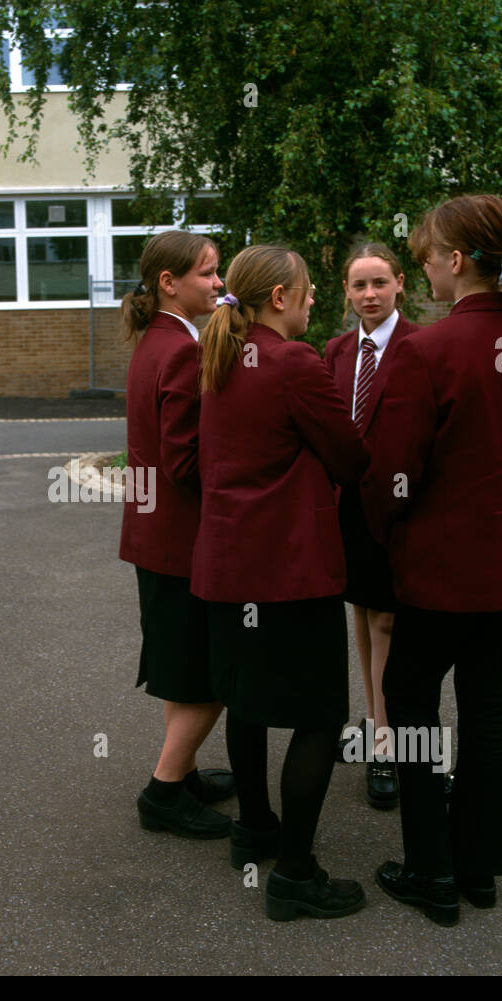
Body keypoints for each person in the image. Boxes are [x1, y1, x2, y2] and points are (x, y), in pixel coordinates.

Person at [362, 194, 502, 925]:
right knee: (486, 707)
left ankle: (431, 871)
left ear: (456, 261)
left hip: (435, 569)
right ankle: (480, 868)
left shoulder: (423, 350)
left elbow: (392, 471)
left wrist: (385, 532)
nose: (423, 266)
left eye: (426, 255)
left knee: (415, 703)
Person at [193, 244, 367, 921]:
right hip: (290, 572)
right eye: (309, 289)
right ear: (279, 298)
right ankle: (296, 872)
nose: (317, 297)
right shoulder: (296, 363)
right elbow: (351, 458)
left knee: (248, 701)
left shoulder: (219, 356)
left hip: (226, 568)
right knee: (321, 716)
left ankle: (254, 826)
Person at [120, 230, 237, 840]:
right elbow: (187, 462)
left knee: (179, 665)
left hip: (155, 535)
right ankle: (164, 791)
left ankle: (183, 769)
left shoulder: (156, 341)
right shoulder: (184, 351)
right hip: (183, 539)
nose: (219, 284)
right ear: (169, 283)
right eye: (208, 274)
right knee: (213, 674)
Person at [325, 242, 420, 810]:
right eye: (359, 286)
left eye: (379, 283)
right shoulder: (335, 352)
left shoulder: (420, 348)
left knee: (385, 620)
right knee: (362, 617)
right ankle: (373, 719)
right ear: (346, 291)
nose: (369, 295)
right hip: (346, 511)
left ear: (401, 284)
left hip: (398, 509)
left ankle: (385, 745)